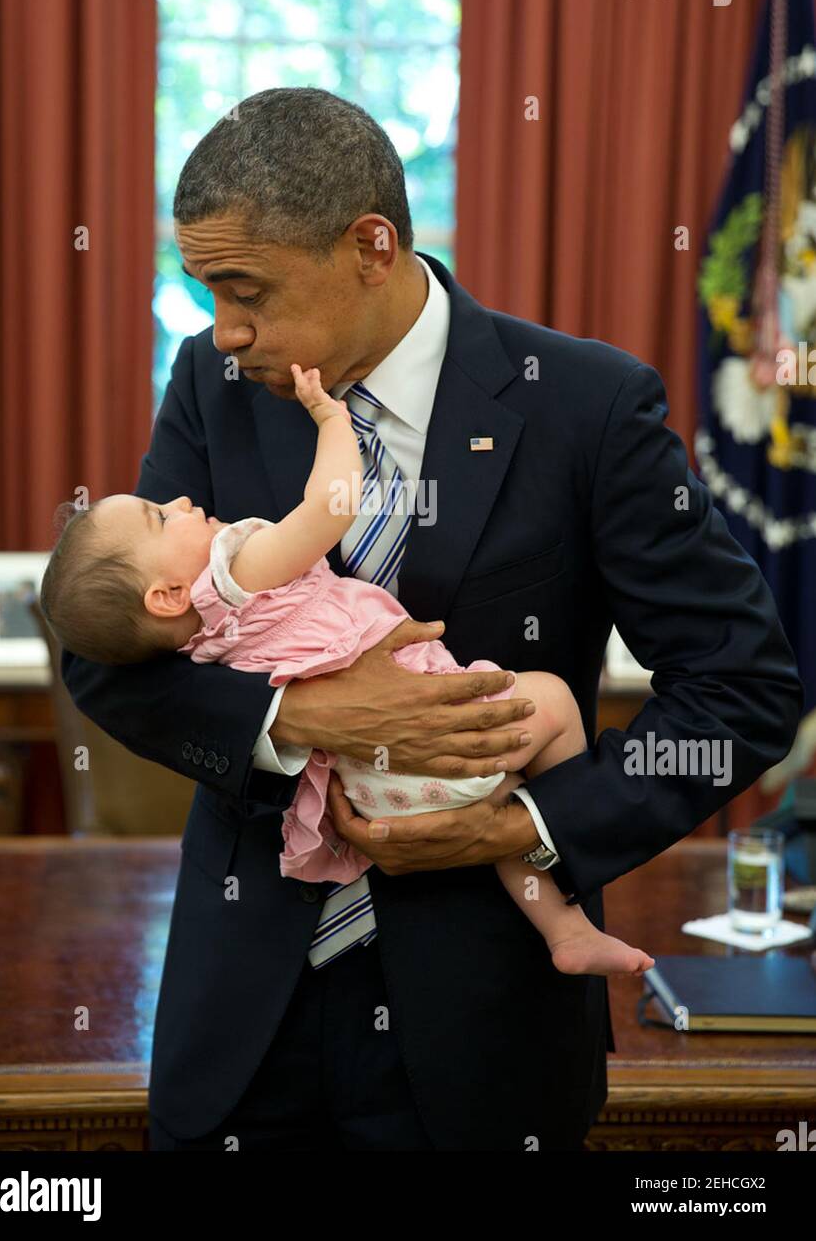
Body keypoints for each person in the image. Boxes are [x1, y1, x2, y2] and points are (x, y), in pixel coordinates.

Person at [61, 87, 803, 1151]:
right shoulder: (212, 382)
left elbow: (742, 688)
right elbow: (107, 652)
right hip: (239, 1030)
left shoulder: (584, 406)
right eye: (203, 290)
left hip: (488, 1036)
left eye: (243, 289)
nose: (223, 328)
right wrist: (304, 716)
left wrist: (527, 830)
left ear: (371, 245)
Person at [41, 362, 656, 980]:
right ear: (169, 596)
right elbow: (329, 507)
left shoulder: (194, 641)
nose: (178, 500)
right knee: (551, 704)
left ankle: (563, 930)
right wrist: (332, 421)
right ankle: (564, 890)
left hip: (368, 793)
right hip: (436, 733)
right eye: (160, 518)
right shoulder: (233, 576)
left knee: (496, 804)